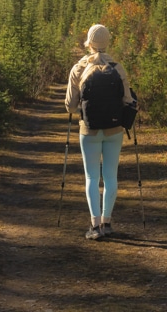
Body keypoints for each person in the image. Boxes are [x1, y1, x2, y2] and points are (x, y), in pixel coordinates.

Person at [65, 23, 136, 240]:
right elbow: (128, 100)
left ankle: (95, 226)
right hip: (115, 130)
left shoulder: (79, 68)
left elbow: (70, 106)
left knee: (91, 177)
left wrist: (82, 107)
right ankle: (107, 222)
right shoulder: (118, 68)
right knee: (111, 176)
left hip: (89, 130)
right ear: (107, 42)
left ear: (89, 42)